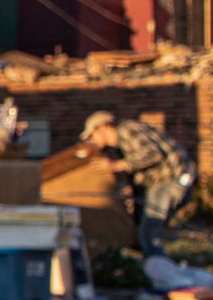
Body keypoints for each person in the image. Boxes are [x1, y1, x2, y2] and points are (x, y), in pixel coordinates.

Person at [81, 110, 197, 257]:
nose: (91, 140)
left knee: (151, 225)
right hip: (159, 182)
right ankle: (152, 264)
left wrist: (115, 165)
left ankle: (157, 268)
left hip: (170, 179)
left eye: (91, 135)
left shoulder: (127, 129)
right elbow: (137, 168)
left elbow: (152, 154)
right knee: (144, 226)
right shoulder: (119, 146)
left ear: (103, 127)